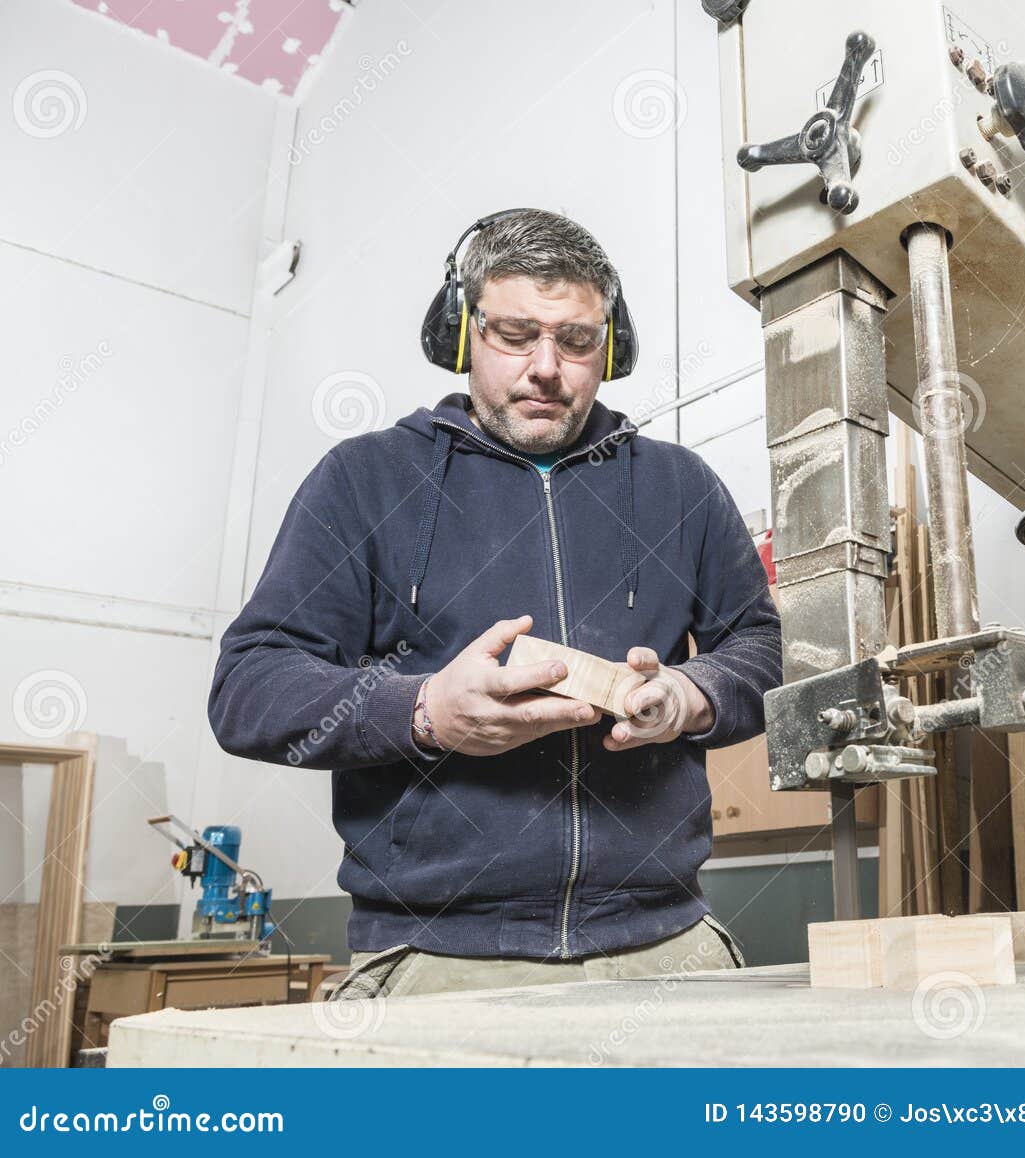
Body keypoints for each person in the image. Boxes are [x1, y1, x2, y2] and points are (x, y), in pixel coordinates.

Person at [208, 209, 781, 998]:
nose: (547, 367)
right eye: (515, 335)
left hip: (666, 944)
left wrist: (691, 694)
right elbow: (249, 688)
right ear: (463, 333)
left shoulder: (680, 487)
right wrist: (422, 711)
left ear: (607, 346)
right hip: (436, 957)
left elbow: (764, 647)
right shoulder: (363, 481)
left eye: (576, 340)